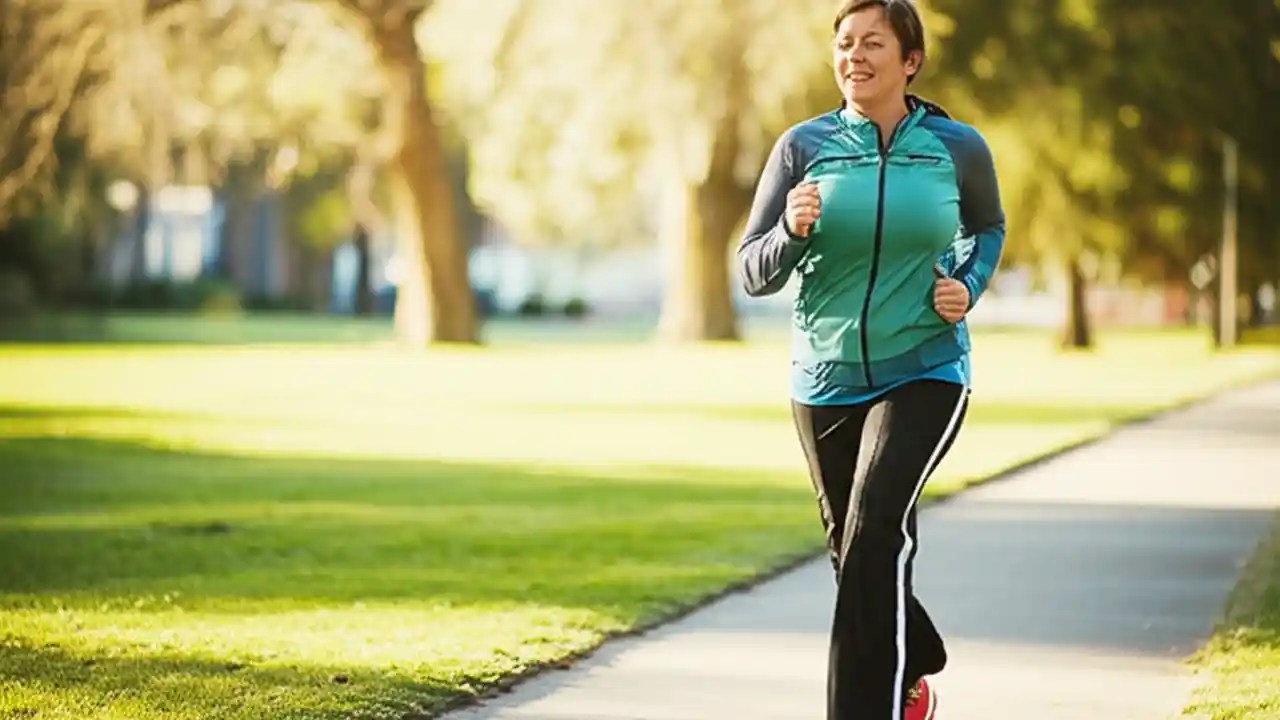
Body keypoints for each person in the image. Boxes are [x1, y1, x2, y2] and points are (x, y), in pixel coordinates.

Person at [737, 0, 1005, 718]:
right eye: (845, 43)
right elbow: (752, 269)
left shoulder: (957, 148)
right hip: (823, 378)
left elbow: (989, 226)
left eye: (872, 43)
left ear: (910, 60)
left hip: (925, 367)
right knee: (854, 550)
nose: (854, 55)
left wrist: (968, 286)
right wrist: (791, 232)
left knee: (876, 529)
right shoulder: (803, 147)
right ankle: (912, 668)